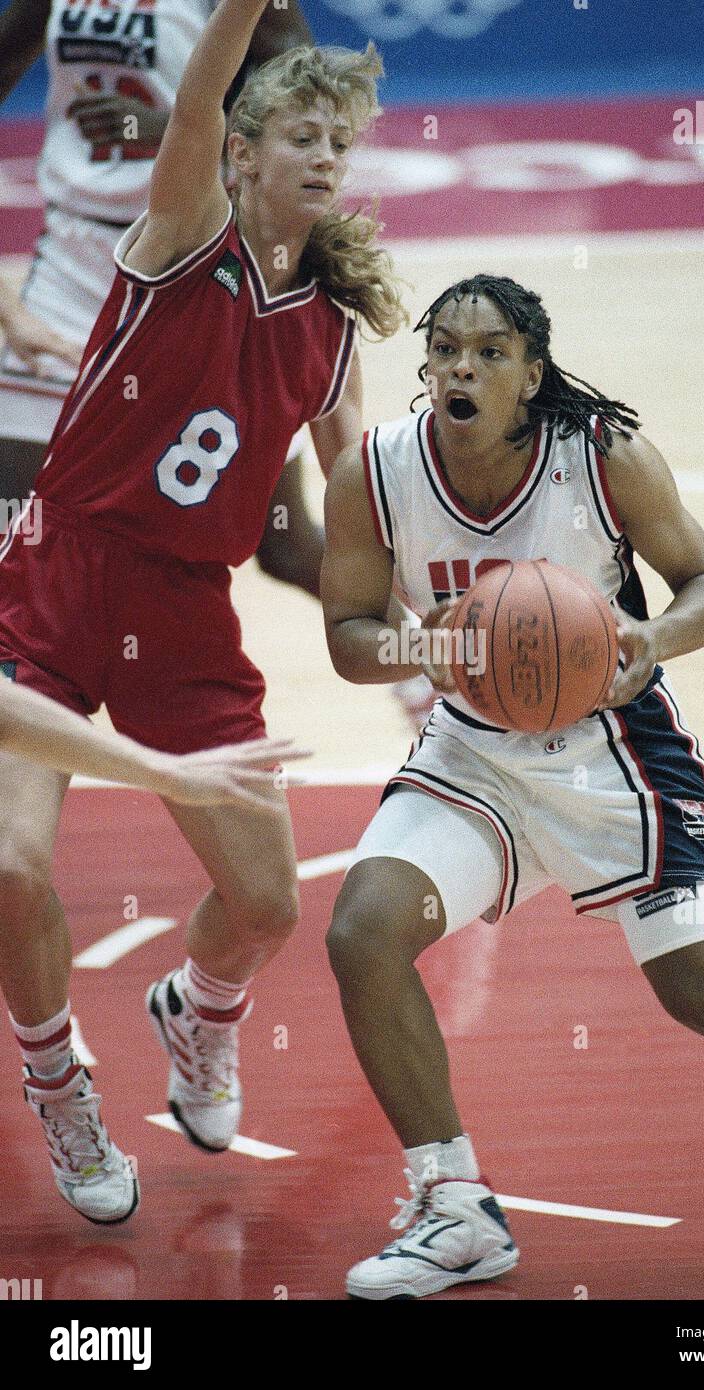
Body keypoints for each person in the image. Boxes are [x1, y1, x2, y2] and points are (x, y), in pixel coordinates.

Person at [320, 273, 704, 1300]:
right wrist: (416, 642)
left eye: (488, 351)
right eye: (444, 351)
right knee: (362, 931)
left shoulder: (601, 454)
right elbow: (349, 638)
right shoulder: (377, 471)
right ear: (426, 368)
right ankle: (457, 1207)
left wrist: (650, 639)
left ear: (532, 371)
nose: (462, 368)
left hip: (613, 751)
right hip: (473, 753)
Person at [0, 0, 404, 1224]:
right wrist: (235, 10)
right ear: (242, 153)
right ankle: (60, 1081)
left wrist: (442, 616)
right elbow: (201, 87)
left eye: (342, 141)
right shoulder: (184, 230)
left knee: (270, 902)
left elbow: (353, 524)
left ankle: (198, 1011)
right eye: (301, 137)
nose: (327, 158)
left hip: (186, 613)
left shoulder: (333, 334)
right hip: (59, 573)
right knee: (11, 863)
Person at [0, 0, 323, 594]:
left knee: (286, 544)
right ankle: (36, 683)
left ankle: (430, 655)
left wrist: (182, 129)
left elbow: (309, 100)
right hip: (74, 265)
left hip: (197, 261)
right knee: (14, 532)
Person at [0, 672, 305, 808]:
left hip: (175, 604)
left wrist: (168, 772)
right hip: (45, 598)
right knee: (15, 875)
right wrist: (168, 773)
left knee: (264, 907)